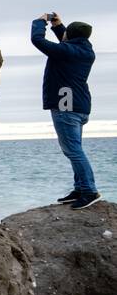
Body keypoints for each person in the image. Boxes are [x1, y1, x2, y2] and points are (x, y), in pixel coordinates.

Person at [31, 13, 100, 209]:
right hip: (80, 105)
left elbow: (37, 40)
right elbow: (68, 42)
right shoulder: (86, 50)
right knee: (75, 148)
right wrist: (59, 27)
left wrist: (40, 21)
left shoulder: (67, 51)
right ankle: (80, 188)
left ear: (71, 36)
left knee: (73, 150)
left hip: (66, 105)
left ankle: (89, 191)